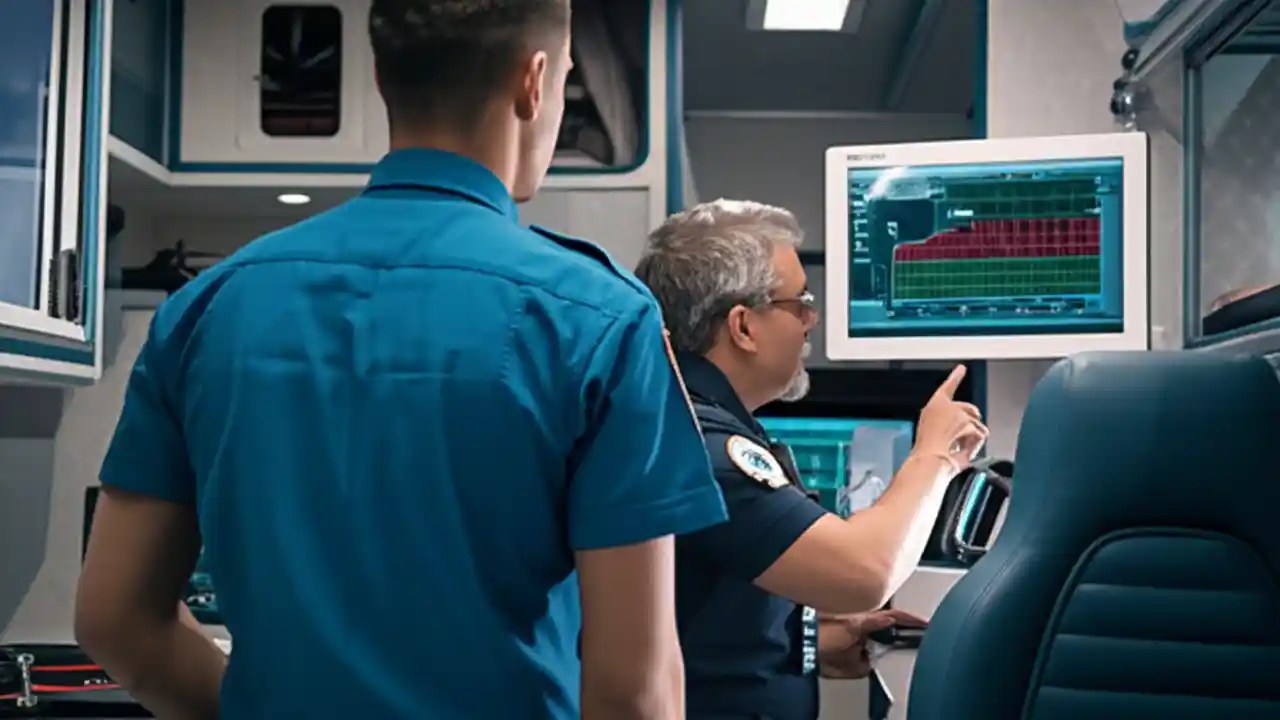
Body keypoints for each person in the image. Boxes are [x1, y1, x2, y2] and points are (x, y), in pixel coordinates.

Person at [74, 2, 729, 718]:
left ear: (382, 77)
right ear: (535, 82)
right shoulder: (602, 321)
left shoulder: (205, 307)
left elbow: (117, 622)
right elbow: (634, 696)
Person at [634, 199, 989, 720]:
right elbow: (866, 572)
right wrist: (935, 454)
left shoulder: (686, 419)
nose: (810, 320)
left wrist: (807, 644)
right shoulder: (708, 450)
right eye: (798, 301)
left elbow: (701, 616)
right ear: (743, 327)